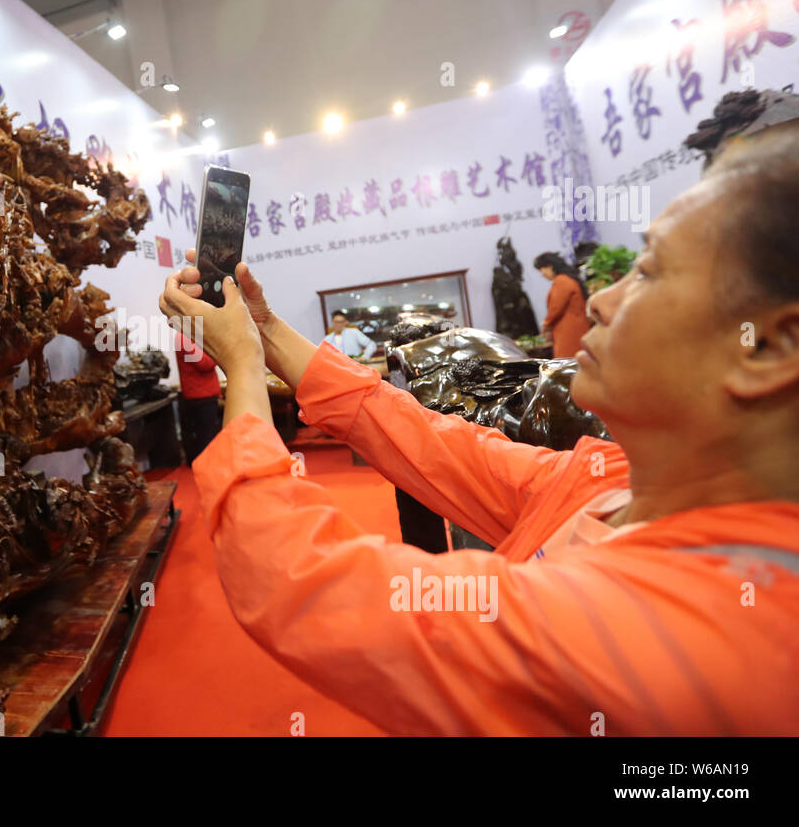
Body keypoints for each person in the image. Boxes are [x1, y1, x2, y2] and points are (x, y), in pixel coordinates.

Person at [155, 89, 799, 735]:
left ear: (769, 347)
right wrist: (263, 330)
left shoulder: (687, 631)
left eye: (650, 273)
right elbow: (423, 439)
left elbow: (296, 577)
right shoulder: (610, 482)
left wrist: (243, 367)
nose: (601, 301)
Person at [174, 330, 222, 464]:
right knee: (205, 437)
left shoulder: (188, 335)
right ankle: (205, 467)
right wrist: (217, 351)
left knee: (205, 435)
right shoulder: (185, 337)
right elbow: (205, 363)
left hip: (202, 394)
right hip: (200, 395)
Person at [533, 252, 590, 358]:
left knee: (569, 360)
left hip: (568, 330)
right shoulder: (568, 280)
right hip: (576, 327)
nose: (542, 274)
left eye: (541, 270)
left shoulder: (562, 281)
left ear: (549, 267)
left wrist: (546, 324)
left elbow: (556, 307)